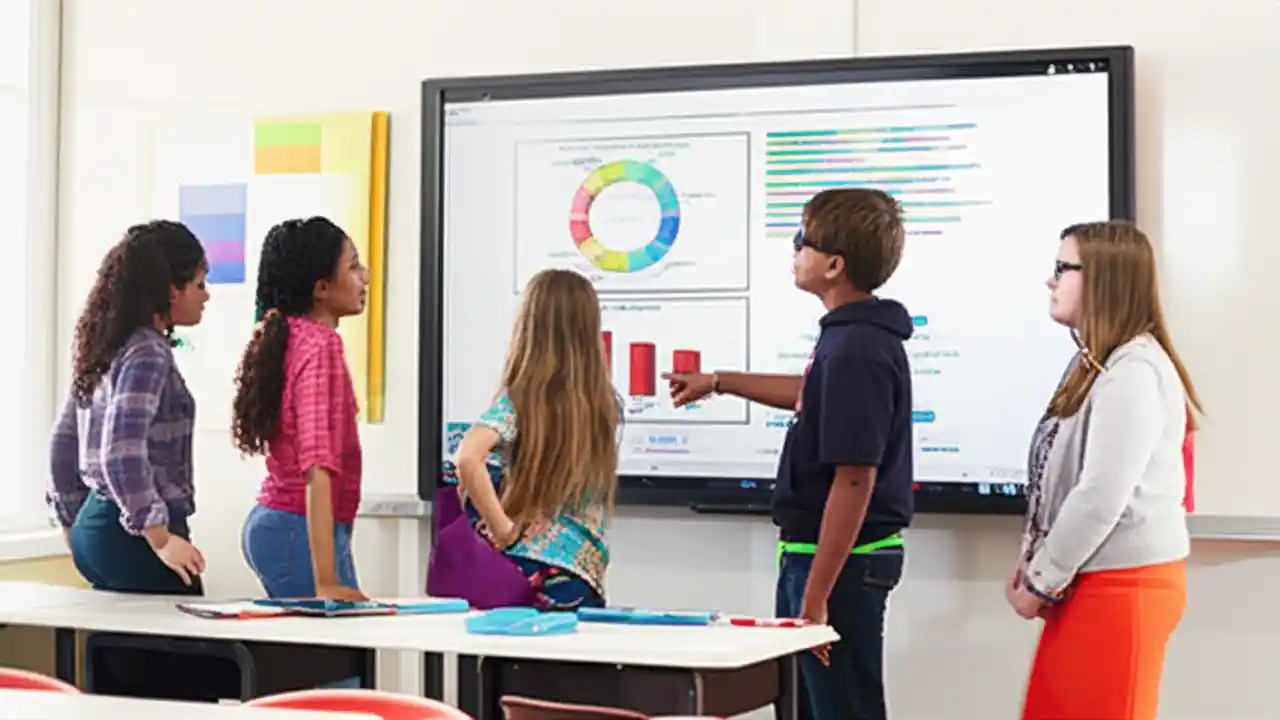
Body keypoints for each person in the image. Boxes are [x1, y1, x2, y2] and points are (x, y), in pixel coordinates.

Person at [665, 188, 914, 720]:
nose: (794, 250)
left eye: (803, 241)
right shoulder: (850, 338)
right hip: (826, 559)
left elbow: (854, 480)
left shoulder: (856, 350)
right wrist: (719, 381)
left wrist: (815, 601)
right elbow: (810, 394)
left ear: (834, 265)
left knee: (839, 708)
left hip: (842, 564)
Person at [1010, 221, 1200, 720]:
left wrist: (1040, 580)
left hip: (1124, 586)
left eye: (1061, 269)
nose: (1050, 282)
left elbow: (1100, 495)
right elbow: (1058, 477)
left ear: (1102, 278)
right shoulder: (1096, 362)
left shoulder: (1134, 369)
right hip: (1090, 582)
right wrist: (1037, 561)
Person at [47, 220, 210, 595]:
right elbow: (121, 453)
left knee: (116, 651)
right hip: (136, 533)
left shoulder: (107, 344)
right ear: (172, 291)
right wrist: (160, 537)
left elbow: (63, 440)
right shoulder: (148, 353)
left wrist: (73, 522)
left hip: (95, 527)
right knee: (183, 649)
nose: (206, 296)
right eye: (199, 284)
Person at [449, 268, 620, 610]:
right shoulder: (606, 406)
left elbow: (468, 458)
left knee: (511, 662)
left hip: (523, 573)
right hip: (580, 577)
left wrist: (502, 530)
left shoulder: (519, 401)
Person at [233, 217, 370, 601]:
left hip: (280, 523)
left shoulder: (288, 335)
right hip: (295, 527)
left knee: (317, 659)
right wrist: (326, 581)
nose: (366, 277)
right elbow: (317, 466)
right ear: (322, 288)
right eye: (354, 266)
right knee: (338, 658)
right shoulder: (320, 345)